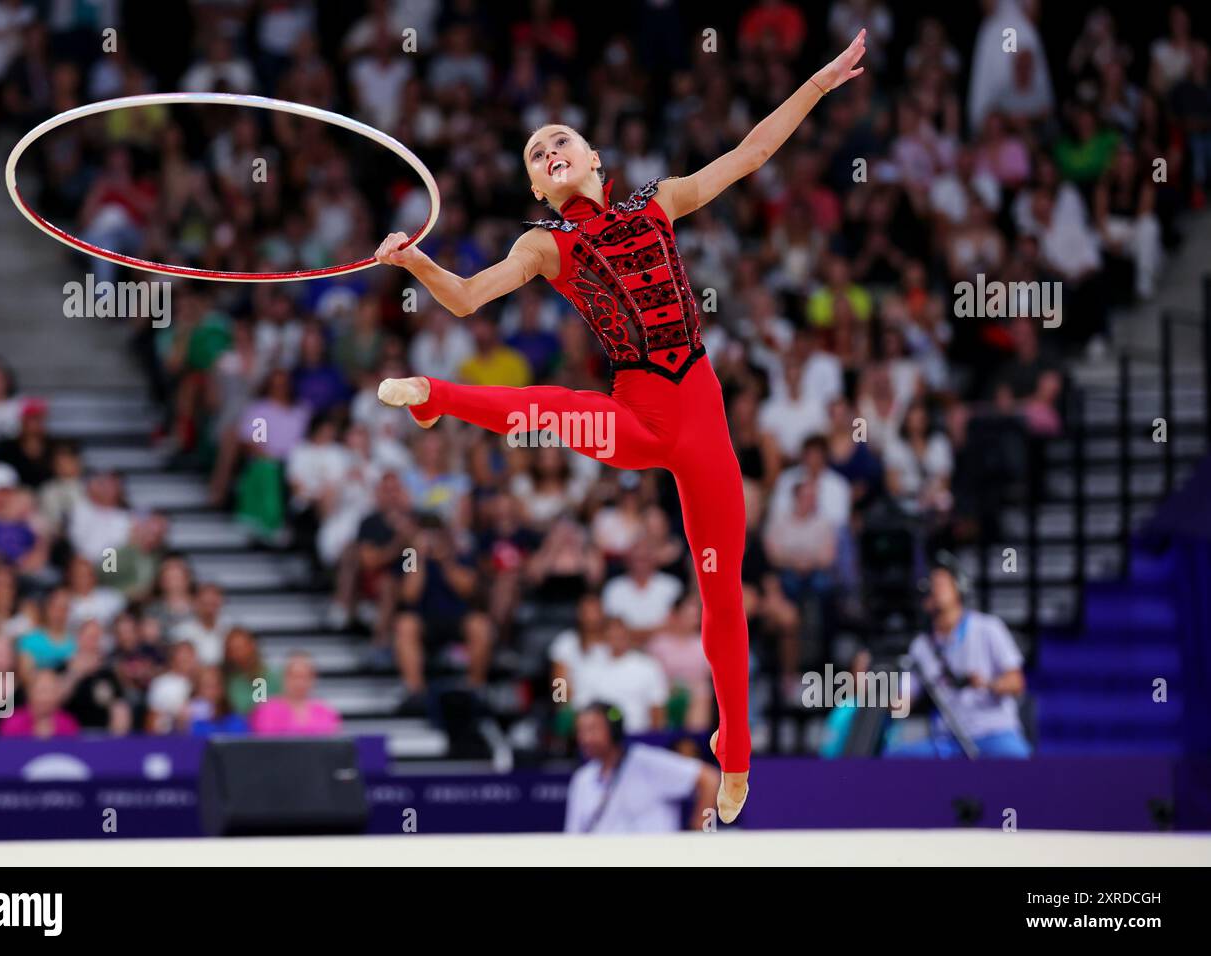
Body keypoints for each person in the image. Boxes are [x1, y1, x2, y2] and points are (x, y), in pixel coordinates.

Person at [370, 30, 871, 820]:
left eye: (559, 139)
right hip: (636, 415)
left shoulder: (660, 199)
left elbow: (747, 155)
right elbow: (467, 298)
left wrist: (814, 85)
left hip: (700, 413)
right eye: (536, 154)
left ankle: (734, 755)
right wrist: (416, 266)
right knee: (546, 408)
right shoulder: (545, 243)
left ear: (595, 157)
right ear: (538, 190)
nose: (548, 150)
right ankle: (436, 395)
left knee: (722, 596)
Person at [887, 554, 1032, 758]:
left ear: (959, 588)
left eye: (942, 583)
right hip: (948, 740)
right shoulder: (921, 646)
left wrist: (987, 684)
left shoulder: (988, 628)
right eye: (933, 585)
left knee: (1019, 759)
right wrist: (873, 689)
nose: (936, 589)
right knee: (895, 759)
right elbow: (900, 705)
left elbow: (1016, 682)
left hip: (993, 732)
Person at [564, 702, 720, 833]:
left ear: (614, 730)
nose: (585, 738)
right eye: (581, 731)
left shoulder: (648, 763)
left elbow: (710, 779)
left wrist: (700, 833)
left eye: (593, 730)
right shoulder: (582, 779)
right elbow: (573, 836)